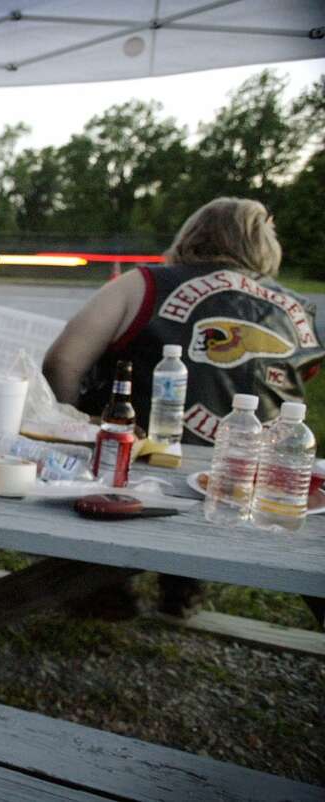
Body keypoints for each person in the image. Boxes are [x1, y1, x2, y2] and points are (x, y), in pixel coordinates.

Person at [43, 196, 324, 616]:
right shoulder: (297, 308)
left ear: (192, 234)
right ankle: (181, 585)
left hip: (138, 469)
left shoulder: (143, 283)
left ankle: (100, 582)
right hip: (247, 485)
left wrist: (75, 425)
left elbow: (62, 361)